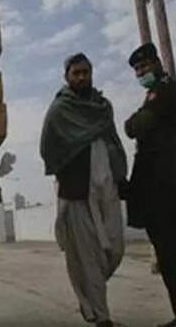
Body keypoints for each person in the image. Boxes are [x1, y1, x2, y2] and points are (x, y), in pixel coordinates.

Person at [39, 52, 128, 327]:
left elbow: (113, 140)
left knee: (115, 249)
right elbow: (48, 147)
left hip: (107, 186)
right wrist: (65, 165)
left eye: (85, 72)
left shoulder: (103, 107)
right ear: (67, 77)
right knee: (87, 256)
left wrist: (120, 174)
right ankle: (101, 315)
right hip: (77, 191)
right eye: (76, 73)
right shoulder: (59, 109)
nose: (81, 77)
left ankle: (90, 296)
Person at [124, 42, 176, 327]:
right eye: (137, 69)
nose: (141, 72)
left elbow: (136, 126)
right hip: (158, 185)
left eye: (144, 66)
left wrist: (134, 121)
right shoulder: (154, 93)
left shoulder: (165, 90)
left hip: (167, 184)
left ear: (157, 62)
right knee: (170, 261)